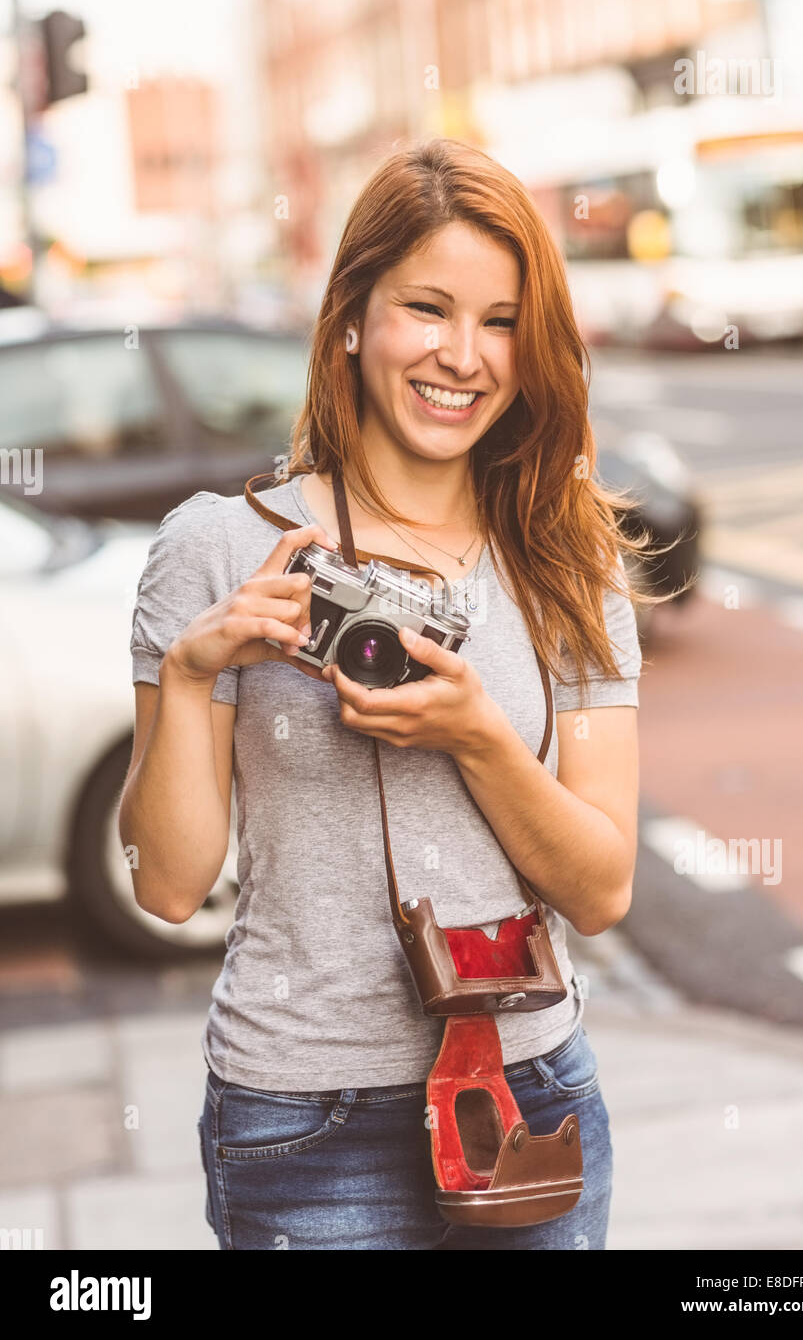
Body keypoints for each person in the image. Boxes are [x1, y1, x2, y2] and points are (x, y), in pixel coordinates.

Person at [119, 137, 650, 1251]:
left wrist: (478, 738)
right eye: (426, 308)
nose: (462, 355)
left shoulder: (563, 557)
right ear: (352, 315)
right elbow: (169, 884)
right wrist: (191, 670)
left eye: (500, 320)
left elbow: (600, 888)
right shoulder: (218, 550)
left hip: (530, 1090)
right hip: (305, 1116)